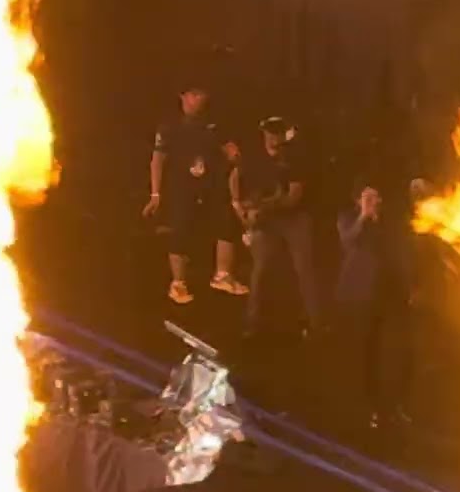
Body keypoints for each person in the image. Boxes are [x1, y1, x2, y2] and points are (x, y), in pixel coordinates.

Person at [141, 83, 248, 304]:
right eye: (194, 95)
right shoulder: (170, 125)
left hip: (211, 186)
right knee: (180, 230)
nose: (198, 100)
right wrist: (155, 194)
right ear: (183, 96)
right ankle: (178, 283)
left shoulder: (214, 124)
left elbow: (229, 150)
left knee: (227, 223)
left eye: (202, 95)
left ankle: (223, 275)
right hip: (180, 187)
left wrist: (233, 154)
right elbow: (157, 160)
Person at [234, 117, 323, 335]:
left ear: (284, 134)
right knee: (261, 269)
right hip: (266, 219)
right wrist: (237, 204)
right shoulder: (254, 158)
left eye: (277, 132)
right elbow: (235, 176)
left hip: (294, 218)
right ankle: (253, 324)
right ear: (263, 133)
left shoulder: (295, 158)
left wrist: (261, 208)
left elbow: (293, 197)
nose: (273, 137)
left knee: (304, 269)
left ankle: (316, 323)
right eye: (269, 132)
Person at [335, 182, 412, 429]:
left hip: (389, 294)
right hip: (359, 296)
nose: (372, 200)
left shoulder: (389, 222)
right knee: (364, 354)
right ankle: (368, 409)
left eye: (375, 196)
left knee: (394, 353)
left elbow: (400, 252)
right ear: (357, 200)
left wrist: (410, 285)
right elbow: (349, 241)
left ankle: (393, 406)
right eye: (366, 197)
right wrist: (363, 217)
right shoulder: (348, 218)